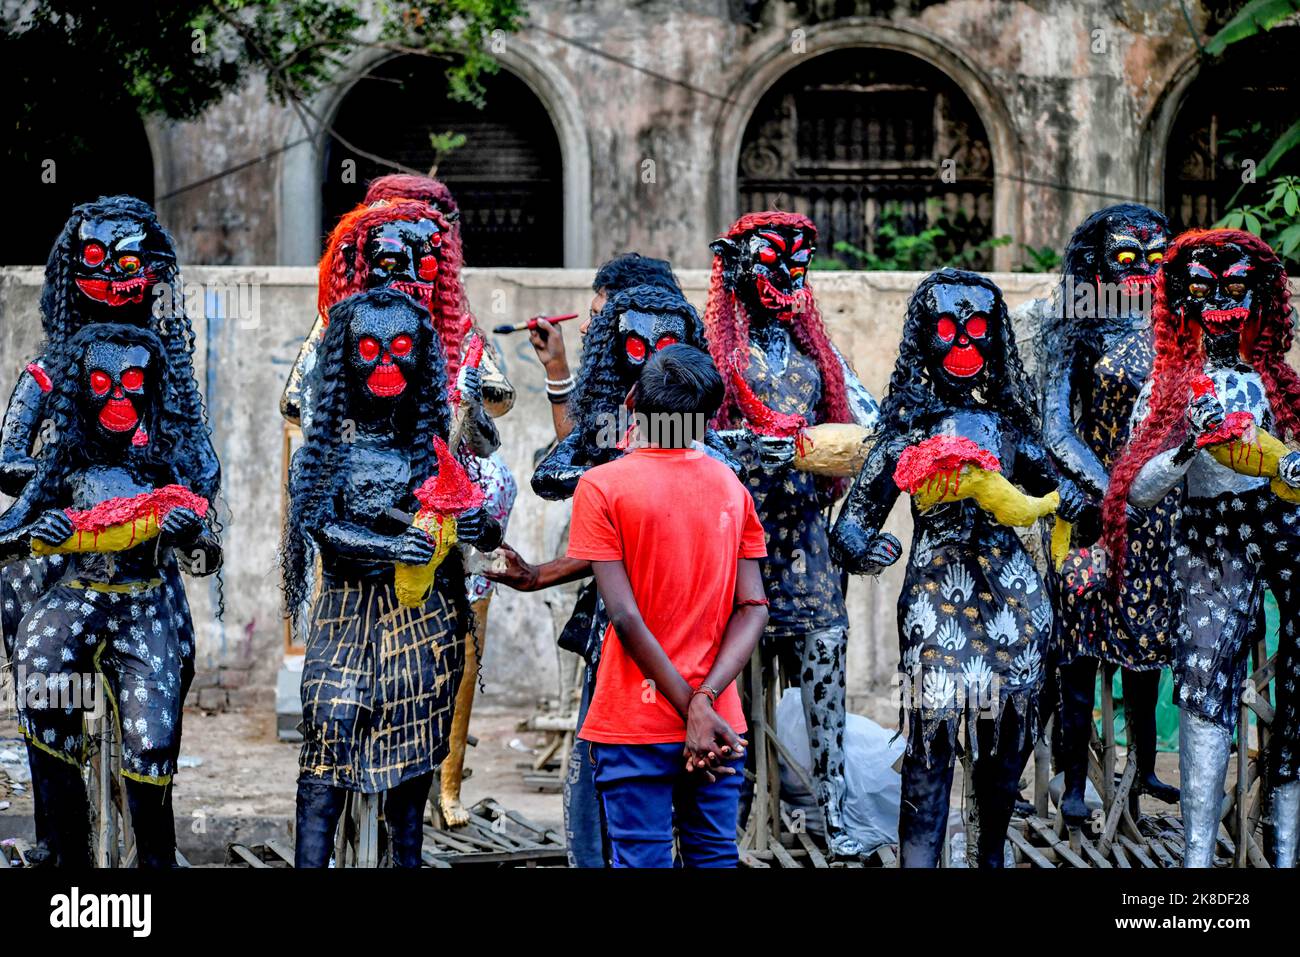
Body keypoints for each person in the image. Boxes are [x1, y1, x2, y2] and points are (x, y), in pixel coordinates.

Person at [830, 269, 1084, 867]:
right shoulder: (905, 434)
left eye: (977, 330)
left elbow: (1061, 490)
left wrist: (1071, 499)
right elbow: (851, 526)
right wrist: (865, 552)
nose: (964, 345)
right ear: (926, 338)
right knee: (931, 745)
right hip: (936, 595)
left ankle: (990, 857)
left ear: (995, 338)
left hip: (1014, 601)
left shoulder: (1012, 429)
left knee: (1003, 750)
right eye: (948, 330)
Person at [283, 288, 502, 867]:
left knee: (414, 753)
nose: (385, 365)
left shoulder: (435, 449)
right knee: (330, 730)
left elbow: (480, 529)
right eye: (371, 350)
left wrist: (477, 523)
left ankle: (406, 856)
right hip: (347, 612)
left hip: (422, 616)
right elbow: (322, 528)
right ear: (344, 360)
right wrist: (386, 543)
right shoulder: (321, 451)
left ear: (421, 356)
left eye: (400, 349)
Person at [1104, 229, 1300, 867]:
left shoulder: (1274, 383)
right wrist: (1187, 447)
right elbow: (1137, 491)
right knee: (1204, 681)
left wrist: (1290, 469)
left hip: (1276, 524)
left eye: (1236, 289)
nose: (1221, 303)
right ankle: (1196, 859)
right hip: (1208, 532)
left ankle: (1286, 842)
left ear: (1260, 300)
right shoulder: (1171, 387)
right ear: (1181, 302)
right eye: (1203, 290)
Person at [0, 322, 222, 868]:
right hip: (75, 597)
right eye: (103, 383)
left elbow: (206, 557)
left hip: (145, 601)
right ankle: (66, 856)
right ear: (82, 387)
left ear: (150, 390)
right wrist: (36, 534)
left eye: (131, 384)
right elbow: (5, 536)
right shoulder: (60, 465)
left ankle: (156, 861)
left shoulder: (168, 467)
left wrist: (190, 532)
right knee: (39, 671)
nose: (118, 398)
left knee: (151, 738)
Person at [703, 211, 879, 859]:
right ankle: (737, 804)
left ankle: (832, 804)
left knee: (826, 652)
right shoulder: (712, 351)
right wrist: (748, 453)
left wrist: (852, 528)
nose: (785, 273)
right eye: (770, 258)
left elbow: (878, 436)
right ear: (736, 264)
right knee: (733, 682)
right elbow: (678, 435)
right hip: (734, 549)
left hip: (806, 544)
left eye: (797, 261)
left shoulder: (819, 356)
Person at [567, 344, 768, 868]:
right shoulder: (732, 488)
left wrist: (688, 709)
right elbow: (754, 608)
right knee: (714, 857)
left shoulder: (602, 486)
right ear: (704, 421)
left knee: (641, 859)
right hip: (720, 724)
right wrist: (705, 702)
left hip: (635, 722)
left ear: (632, 402)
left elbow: (625, 616)